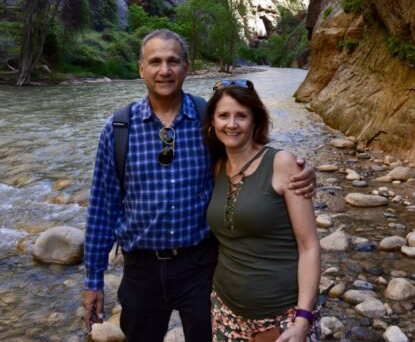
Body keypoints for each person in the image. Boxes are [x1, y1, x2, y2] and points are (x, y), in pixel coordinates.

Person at [83, 29, 317, 342]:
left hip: (202, 266)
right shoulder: (119, 128)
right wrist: (93, 280)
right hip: (142, 270)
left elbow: (252, 155)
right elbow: (102, 206)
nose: (164, 70)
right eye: (155, 62)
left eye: (172, 61)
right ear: (141, 69)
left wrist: (301, 168)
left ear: (186, 67)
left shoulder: (209, 119)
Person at [205, 80, 321, 342]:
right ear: (212, 122)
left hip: (282, 315)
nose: (231, 124)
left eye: (241, 116)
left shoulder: (283, 163)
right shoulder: (216, 167)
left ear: (255, 121)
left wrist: (303, 318)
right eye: (223, 115)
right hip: (225, 312)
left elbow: (309, 247)